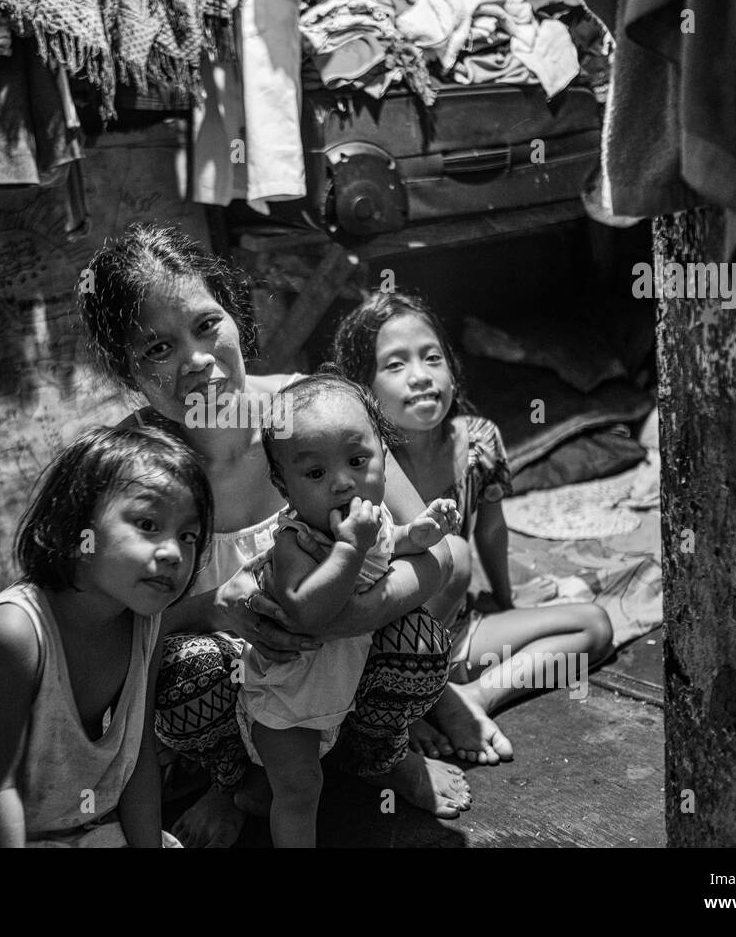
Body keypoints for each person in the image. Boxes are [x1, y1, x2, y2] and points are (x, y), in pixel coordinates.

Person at [78, 223, 472, 847]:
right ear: (126, 370)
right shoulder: (134, 468)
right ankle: (231, 782)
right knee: (188, 671)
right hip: (246, 702)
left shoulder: (313, 416)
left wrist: (350, 614)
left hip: (347, 664)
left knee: (419, 639)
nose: (198, 359)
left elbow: (440, 559)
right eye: (158, 349)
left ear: (236, 317)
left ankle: (377, 759)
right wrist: (211, 608)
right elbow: (99, 633)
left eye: (207, 324)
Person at [332, 291, 614, 765]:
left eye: (432, 357)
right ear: (364, 388)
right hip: (380, 648)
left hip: (457, 633)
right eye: (395, 365)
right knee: (452, 552)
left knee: (594, 626)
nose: (421, 376)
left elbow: (494, 530)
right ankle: (405, 699)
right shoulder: (362, 464)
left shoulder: (481, 440)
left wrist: (508, 600)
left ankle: (472, 697)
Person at [0, 425, 210, 846]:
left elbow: (139, 755)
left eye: (188, 535)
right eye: (147, 524)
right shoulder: (14, 635)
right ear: (74, 530)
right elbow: (1, 789)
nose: (174, 553)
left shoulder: (146, 620)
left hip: (79, 831)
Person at [240, 374, 463, 846]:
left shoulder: (372, 521)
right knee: (300, 792)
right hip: (287, 703)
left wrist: (423, 532)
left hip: (340, 694)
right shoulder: (295, 542)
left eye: (357, 460)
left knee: (310, 785)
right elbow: (305, 612)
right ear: (284, 485)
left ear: (383, 457)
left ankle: (368, 763)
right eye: (316, 474)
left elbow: (393, 544)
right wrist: (347, 550)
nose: (343, 482)